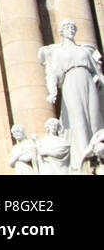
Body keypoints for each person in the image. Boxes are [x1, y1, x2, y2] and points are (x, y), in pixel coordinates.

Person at [38, 19, 104, 171]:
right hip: (70, 83)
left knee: (94, 117)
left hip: (88, 82)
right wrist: (53, 92)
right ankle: (82, 160)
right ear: (61, 31)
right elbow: (53, 73)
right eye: (67, 27)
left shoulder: (84, 50)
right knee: (78, 119)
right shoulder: (58, 52)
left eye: (72, 27)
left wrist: (98, 79)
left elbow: (97, 72)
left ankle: (97, 153)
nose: (71, 29)